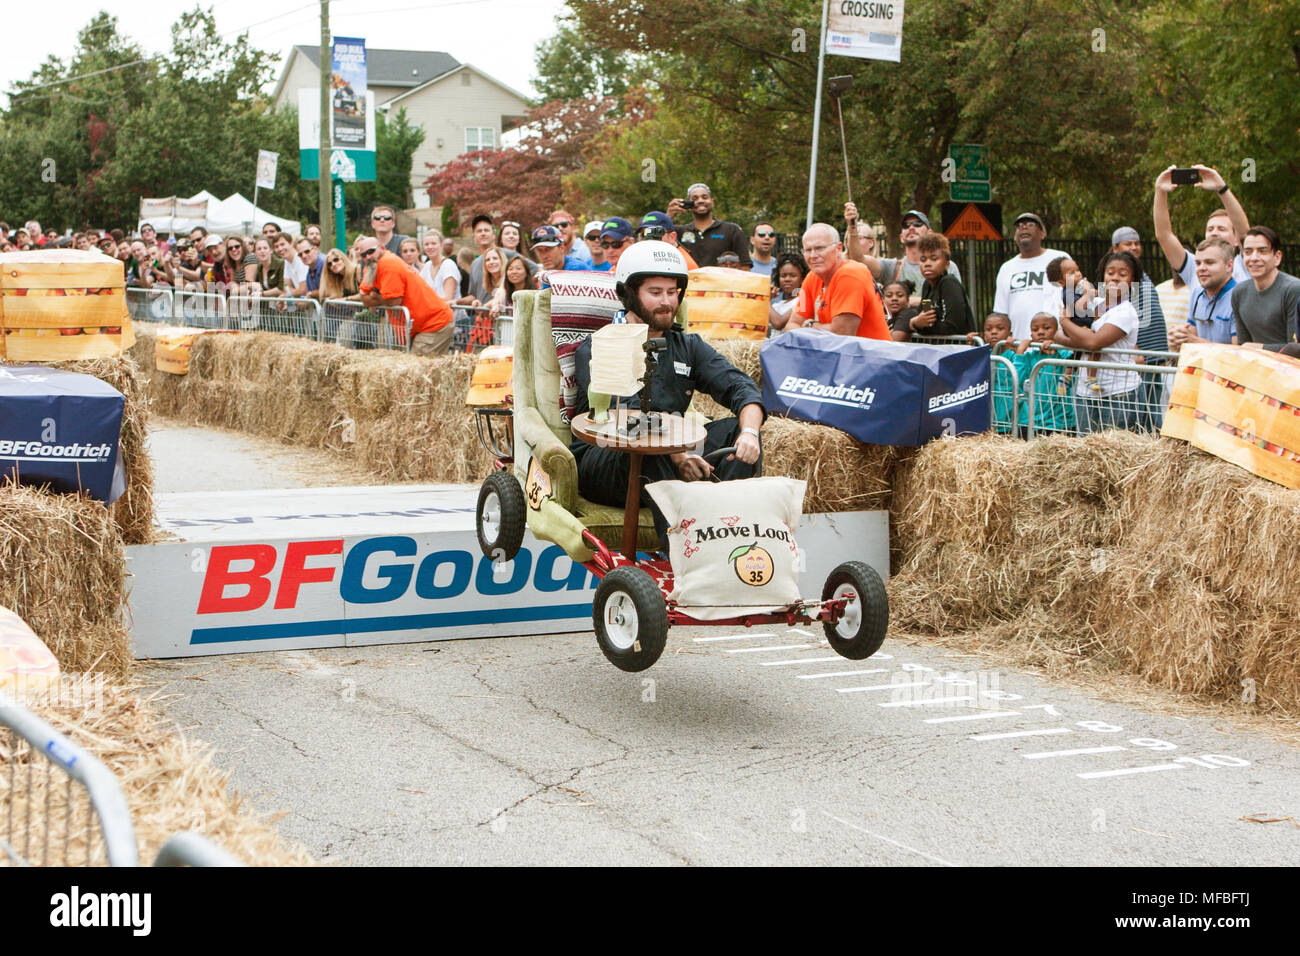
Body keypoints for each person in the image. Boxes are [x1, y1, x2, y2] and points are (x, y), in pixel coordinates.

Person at [571, 240, 764, 541]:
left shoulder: (687, 345)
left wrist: (749, 434)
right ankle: (683, 552)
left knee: (733, 432)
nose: (667, 302)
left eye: (673, 292)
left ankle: (727, 535)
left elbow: (742, 387)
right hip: (607, 458)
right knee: (650, 449)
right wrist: (678, 455)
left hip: (670, 450)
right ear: (628, 294)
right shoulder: (602, 346)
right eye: (656, 292)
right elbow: (628, 417)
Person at [1057, 251, 1143, 433]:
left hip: (1117, 394)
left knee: (1114, 454)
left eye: (1122, 274)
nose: (1115, 278)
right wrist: (1069, 333)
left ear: (1132, 280)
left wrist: (1063, 325)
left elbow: (1093, 343)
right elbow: (1074, 335)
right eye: (1110, 273)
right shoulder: (1095, 304)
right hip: (1084, 393)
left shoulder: (1125, 312)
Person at [1154, 166, 1239, 345]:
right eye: (1210, 229)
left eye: (1221, 228)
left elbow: (1237, 351)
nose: (1214, 233)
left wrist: (1222, 189)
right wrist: (1160, 191)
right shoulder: (1197, 271)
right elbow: (1164, 235)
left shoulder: (1249, 264)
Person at [788, 223, 889, 340]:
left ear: (838, 248)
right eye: (808, 250)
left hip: (869, 355)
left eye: (819, 248)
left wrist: (810, 326)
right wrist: (811, 329)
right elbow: (792, 324)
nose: (813, 255)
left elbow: (842, 333)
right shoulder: (812, 277)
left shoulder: (851, 274)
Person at [357, 236, 455, 356]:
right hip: (420, 326)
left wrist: (375, 296)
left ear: (381, 248)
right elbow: (364, 297)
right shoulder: (371, 266)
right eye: (364, 255)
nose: (368, 257)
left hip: (435, 323)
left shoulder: (388, 263)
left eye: (371, 251)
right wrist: (380, 297)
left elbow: (394, 301)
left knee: (416, 368)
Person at [846, 205, 959, 306]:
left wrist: (913, 301)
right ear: (901, 237)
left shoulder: (946, 266)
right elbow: (858, 259)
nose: (911, 227)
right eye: (906, 225)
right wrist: (852, 227)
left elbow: (952, 301)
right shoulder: (891, 267)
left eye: (917, 224)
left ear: (930, 233)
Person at [1233, 226, 1300, 351]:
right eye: (1248, 252)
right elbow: (1244, 345)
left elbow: (1295, 348)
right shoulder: (1239, 293)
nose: (1254, 258)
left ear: (1277, 257)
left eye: (1262, 251)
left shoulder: (1293, 290)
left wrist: (1260, 348)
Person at [1010, 312, 1075, 436]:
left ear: (1057, 332)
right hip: (1030, 421)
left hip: (1059, 421)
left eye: (1046, 328)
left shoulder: (1064, 355)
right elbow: (1017, 380)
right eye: (1035, 329)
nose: (1040, 332)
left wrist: (1058, 348)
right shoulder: (1028, 357)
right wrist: (1019, 354)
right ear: (1031, 334)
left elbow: (1071, 370)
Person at [1109, 226, 1167, 352]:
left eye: (1137, 243)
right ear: (1115, 248)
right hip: (1140, 354)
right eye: (1128, 244)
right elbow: (1110, 311)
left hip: (1157, 349)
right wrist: (1133, 348)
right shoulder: (1116, 276)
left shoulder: (1138, 272)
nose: (1134, 247)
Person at [667, 182, 750, 267]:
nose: (700, 201)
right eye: (695, 198)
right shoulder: (678, 232)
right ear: (688, 205)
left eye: (704, 197)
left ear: (712, 202)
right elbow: (656, 242)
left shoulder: (732, 230)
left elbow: (745, 265)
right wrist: (668, 216)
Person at [911, 233, 974, 337]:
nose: (927, 264)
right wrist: (918, 323)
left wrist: (915, 324)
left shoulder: (949, 283)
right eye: (923, 259)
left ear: (947, 264)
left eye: (934, 259)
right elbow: (925, 320)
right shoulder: (927, 285)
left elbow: (952, 327)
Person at [978, 313, 1018, 433]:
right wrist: (970, 345)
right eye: (989, 329)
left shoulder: (1013, 355)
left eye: (1000, 329)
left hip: (1008, 412)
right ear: (984, 335)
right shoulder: (982, 354)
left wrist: (1017, 350)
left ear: (1009, 334)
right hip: (987, 411)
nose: (993, 332)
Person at [418, 230, 461, 305]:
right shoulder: (427, 266)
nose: (430, 247)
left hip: (453, 315)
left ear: (441, 245)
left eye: (433, 243)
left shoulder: (448, 265)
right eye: (426, 244)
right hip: (434, 313)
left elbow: (448, 298)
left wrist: (425, 301)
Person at [768, 253, 808, 333]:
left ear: (802, 279)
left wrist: (765, 300)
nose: (787, 279)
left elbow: (778, 323)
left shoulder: (803, 301)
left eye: (793, 276)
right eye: (783, 276)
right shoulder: (777, 305)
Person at [273, 233, 309, 297]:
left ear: (291, 243)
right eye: (276, 247)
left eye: (282, 244)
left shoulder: (300, 259)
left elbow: (303, 289)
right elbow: (286, 286)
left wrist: (288, 293)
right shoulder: (286, 261)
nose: (280, 249)